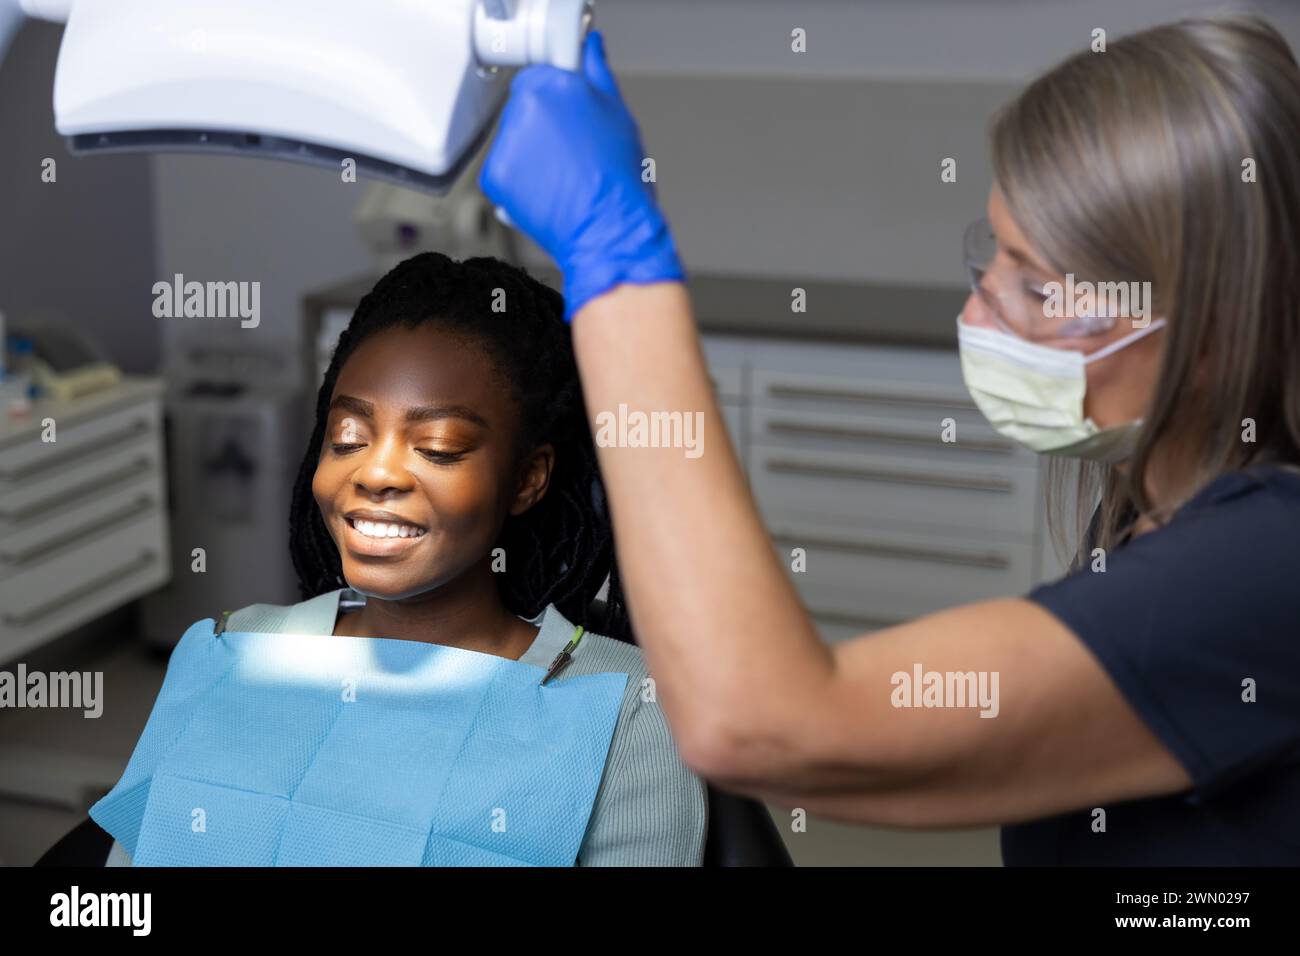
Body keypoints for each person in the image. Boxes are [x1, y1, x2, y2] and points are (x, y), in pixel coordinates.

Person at [479, 16, 1300, 863]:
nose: (977, 318)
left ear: (1211, 334)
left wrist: (613, 253)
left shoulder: (1265, 563)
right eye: (995, 258)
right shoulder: (1149, 512)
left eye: (1041, 288)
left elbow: (763, 722)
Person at [104, 252, 706, 866]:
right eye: (348, 439)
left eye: (438, 447)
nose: (376, 472)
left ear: (527, 478)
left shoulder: (628, 713)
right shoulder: (231, 650)